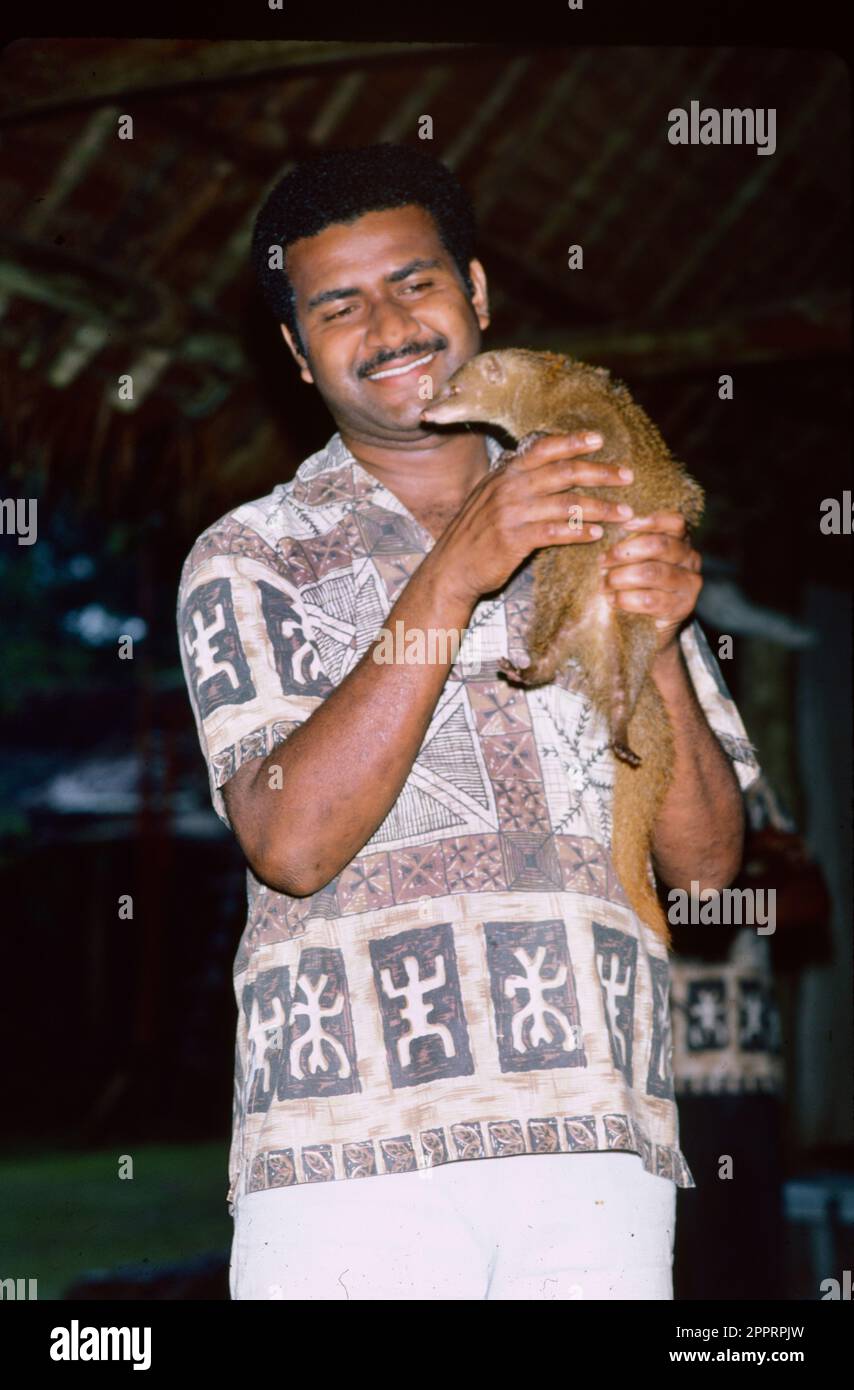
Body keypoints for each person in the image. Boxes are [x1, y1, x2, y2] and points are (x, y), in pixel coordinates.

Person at [176, 143, 759, 1301]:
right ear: (297, 354)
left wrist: (650, 643)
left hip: (599, 1143)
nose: (387, 325)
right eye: (337, 306)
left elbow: (701, 871)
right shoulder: (249, 557)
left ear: (477, 293)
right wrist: (457, 568)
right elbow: (289, 845)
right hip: (345, 1153)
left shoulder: (601, 504)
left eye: (414, 281)